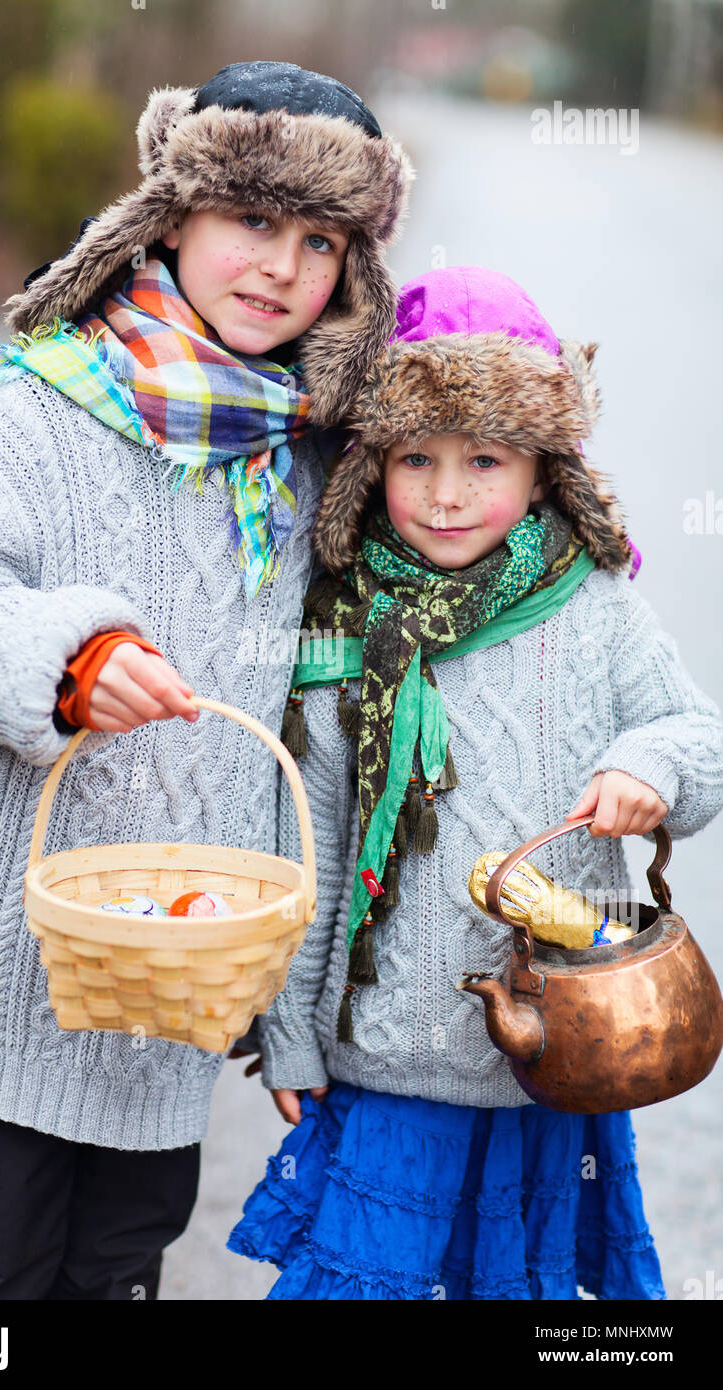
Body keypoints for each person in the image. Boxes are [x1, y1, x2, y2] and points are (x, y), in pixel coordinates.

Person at [0, 61, 412, 1300]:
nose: (280, 265)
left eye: (320, 240)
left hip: (169, 1007)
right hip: (7, 988)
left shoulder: (310, 464)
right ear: (171, 220)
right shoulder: (46, 408)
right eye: (252, 221)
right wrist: (66, 659)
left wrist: (286, 1004)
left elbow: (308, 737)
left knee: (117, 1278)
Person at [228, 265, 723, 1300]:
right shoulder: (344, 626)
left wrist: (648, 766)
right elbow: (307, 848)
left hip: (556, 1062)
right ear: (372, 464)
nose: (446, 494)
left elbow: (695, 734)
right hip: (385, 1066)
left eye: (484, 460)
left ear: (543, 470)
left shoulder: (593, 608)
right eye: (416, 458)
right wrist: (287, 1036)